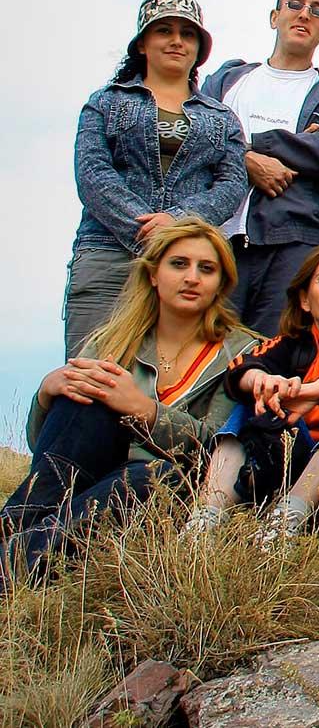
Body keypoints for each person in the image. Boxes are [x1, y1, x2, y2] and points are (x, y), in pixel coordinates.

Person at [7, 219, 260, 580]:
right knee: (82, 395)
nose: (192, 277)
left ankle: (12, 562)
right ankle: (13, 537)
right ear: (154, 275)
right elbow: (47, 452)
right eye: (179, 264)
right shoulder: (113, 340)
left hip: (169, 486)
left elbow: (219, 448)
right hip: (92, 476)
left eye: (207, 269)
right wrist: (47, 394)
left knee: (153, 477)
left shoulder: (242, 353)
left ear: (221, 284)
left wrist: (146, 412)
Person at [66, 0, 249, 358]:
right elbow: (92, 173)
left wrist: (177, 226)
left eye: (188, 33)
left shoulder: (223, 118)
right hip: (108, 254)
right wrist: (147, 231)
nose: (177, 40)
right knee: (88, 376)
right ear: (143, 45)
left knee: (171, 378)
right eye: (164, 30)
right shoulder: (105, 102)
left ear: (199, 48)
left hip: (188, 266)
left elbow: (232, 183)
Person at [185, 238, 319, 537]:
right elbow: (240, 367)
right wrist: (262, 382)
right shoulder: (295, 344)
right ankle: (206, 518)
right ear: (305, 300)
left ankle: (285, 523)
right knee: (251, 400)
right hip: (296, 461)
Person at [202, 0, 319, 335]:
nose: (304, 14)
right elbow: (197, 136)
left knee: (275, 356)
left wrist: (250, 143)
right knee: (209, 352)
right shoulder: (229, 79)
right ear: (274, 17)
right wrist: (248, 160)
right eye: (294, 4)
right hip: (218, 238)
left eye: (317, 11)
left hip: (294, 239)